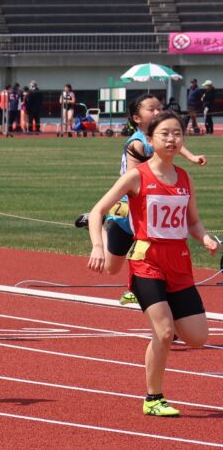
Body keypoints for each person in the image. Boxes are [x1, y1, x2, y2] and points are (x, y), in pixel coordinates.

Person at [85, 111, 218, 417]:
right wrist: (97, 247)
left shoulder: (184, 178)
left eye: (177, 134)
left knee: (197, 338)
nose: (172, 139)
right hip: (148, 261)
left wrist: (207, 239)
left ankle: (164, 322)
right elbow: (97, 211)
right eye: (165, 134)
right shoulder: (137, 176)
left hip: (180, 263)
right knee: (164, 331)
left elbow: (193, 222)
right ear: (149, 139)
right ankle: (153, 398)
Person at [73, 93, 207, 304]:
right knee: (115, 264)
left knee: (138, 250)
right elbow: (161, 152)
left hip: (150, 204)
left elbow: (172, 144)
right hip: (131, 204)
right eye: (151, 110)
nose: (158, 112)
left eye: (159, 108)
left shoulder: (163, 138)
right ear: (137, 118)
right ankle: (96, 224)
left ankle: (140, 286)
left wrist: (191, 157)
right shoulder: (137, 143)